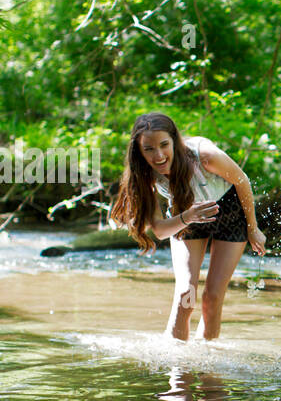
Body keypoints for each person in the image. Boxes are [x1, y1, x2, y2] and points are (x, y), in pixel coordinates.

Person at [110, 112, 267, 341]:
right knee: (186, 294)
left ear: (175, 140)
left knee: (212, 297)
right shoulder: (142, 174)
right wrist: (189, 216)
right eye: (149, 149)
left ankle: (207, 368)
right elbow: (162, 231)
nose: (159, 155)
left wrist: (253, 228)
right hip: (185, 213)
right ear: (138, 150)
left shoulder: (205, 155)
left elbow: (242, 181)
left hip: (231, 211)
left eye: (164, 145)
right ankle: (178, 370)